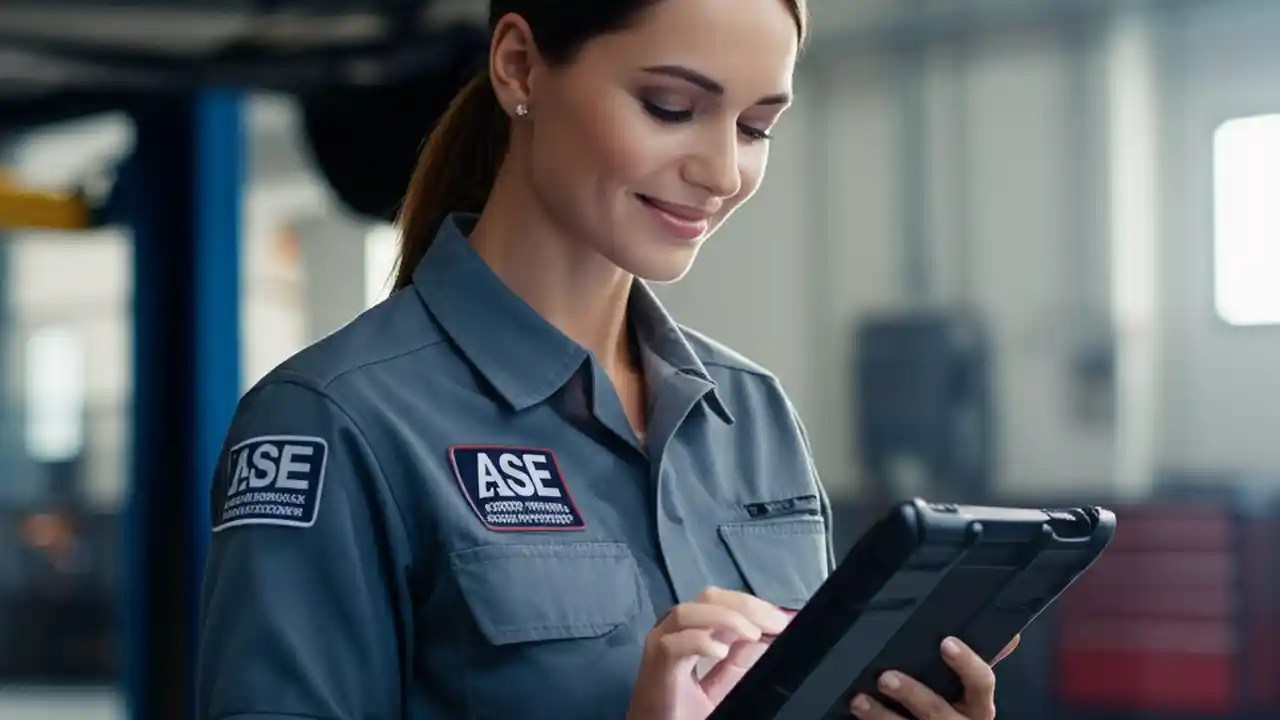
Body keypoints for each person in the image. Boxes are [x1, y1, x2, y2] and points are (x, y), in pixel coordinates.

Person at [197, 1, 1016, 718]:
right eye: (670, 106)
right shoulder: (336, 420)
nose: (722, 171)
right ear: (519, 65)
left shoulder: (751, 414)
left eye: (756, 126)